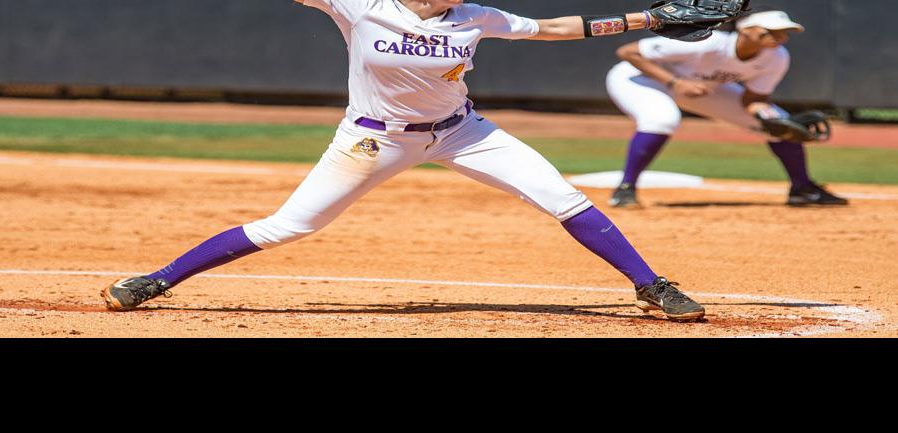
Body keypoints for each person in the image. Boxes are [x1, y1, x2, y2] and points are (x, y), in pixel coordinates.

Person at [100, 0, 747, 322]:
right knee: (289, 225)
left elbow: (556, 30)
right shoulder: (360, 5)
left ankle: (650, 285)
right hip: (375, 139)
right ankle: (156, 279)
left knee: (564, 198)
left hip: (465, 131)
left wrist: (651, 16)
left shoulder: (475, 17)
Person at [606, 7, 848, 208]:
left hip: (699, 87)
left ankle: (802, 188)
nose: (779, 37)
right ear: (745, 29)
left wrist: (766, 118)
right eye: (771, 31)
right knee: (662, 118)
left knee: (780, 121)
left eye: (784, 33)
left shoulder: (777, 57)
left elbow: (754, 99)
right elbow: (628, 52)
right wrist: (675, 82)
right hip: (639, 78)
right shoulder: (707, 42)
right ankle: (625, 190)